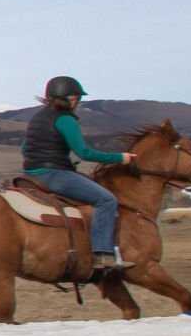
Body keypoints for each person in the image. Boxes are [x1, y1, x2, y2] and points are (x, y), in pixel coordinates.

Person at [21, 75, 139, 270]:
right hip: (53, 175)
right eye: (78, 98)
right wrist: (121, 158)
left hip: (31, 176)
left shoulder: (37, 118)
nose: (78, 103)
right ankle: (102, 254)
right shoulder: (65, 119)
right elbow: (84, 153)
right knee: (106, 200)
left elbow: (25, 149)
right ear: (71, 98)